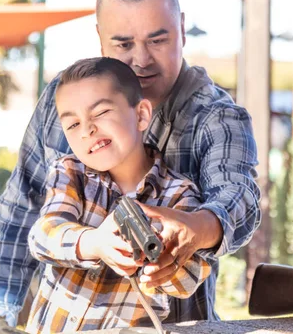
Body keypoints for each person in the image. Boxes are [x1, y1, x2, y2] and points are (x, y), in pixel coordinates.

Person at [0, 0, 261, 327]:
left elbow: (239, 197)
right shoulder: (63, 100)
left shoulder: (217, 117)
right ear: (100, 37)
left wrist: (196, 229)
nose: (141, 60)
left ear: (182, 28)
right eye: (123, 43)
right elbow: (23, 209)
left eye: (158, 40)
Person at [24, 57, 214, 333]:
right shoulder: (70, 172)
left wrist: (162, 263)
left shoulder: (179, 195)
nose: (87, 129)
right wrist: (94, 243)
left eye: (100, 113)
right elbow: (43, 235)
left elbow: (189, 280)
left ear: (141, 115)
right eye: (73, 124)